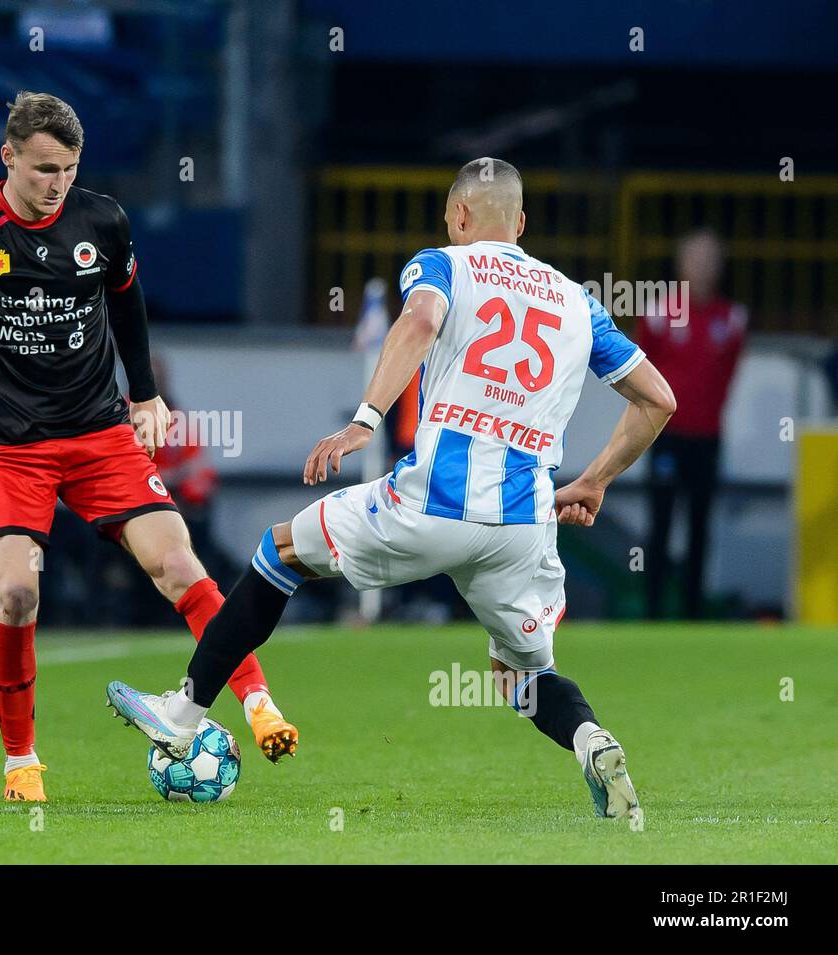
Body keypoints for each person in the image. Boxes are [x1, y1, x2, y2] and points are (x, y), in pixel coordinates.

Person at [107, 158, 677, 821]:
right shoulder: (576, 300)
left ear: (459, 215)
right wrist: (595, 479)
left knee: (281, 552)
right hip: (525, 525)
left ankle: (181, 713)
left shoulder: (443, 264)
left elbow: (421, 323)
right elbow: (658, 400)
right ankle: (591, 740)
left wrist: (363, 420)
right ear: (520, 223)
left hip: (432, 501)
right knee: (521, 677)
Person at [0, 91, 297, 802]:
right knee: (14, 593)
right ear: (7, 157)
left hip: (100, 433)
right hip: (11, 448)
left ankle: (258, 704)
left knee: (176, 561)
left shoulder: (102, 219)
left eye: (68, 169)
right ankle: (21, 762)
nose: (56, 185)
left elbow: (126, 301)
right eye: (43, 169)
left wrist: (145, 393)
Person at [638, 230, 746, 619]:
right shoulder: (658, 314)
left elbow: (726, 376)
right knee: (661, 524)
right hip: (666, 437)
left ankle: (692, 613)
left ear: (721, 266)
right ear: (680, 264)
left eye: (711, 259)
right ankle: (653, 610)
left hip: (707, 439)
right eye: (696, 258)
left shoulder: (732, 320)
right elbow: (640, 375)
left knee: (700, 525)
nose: (703, 267)